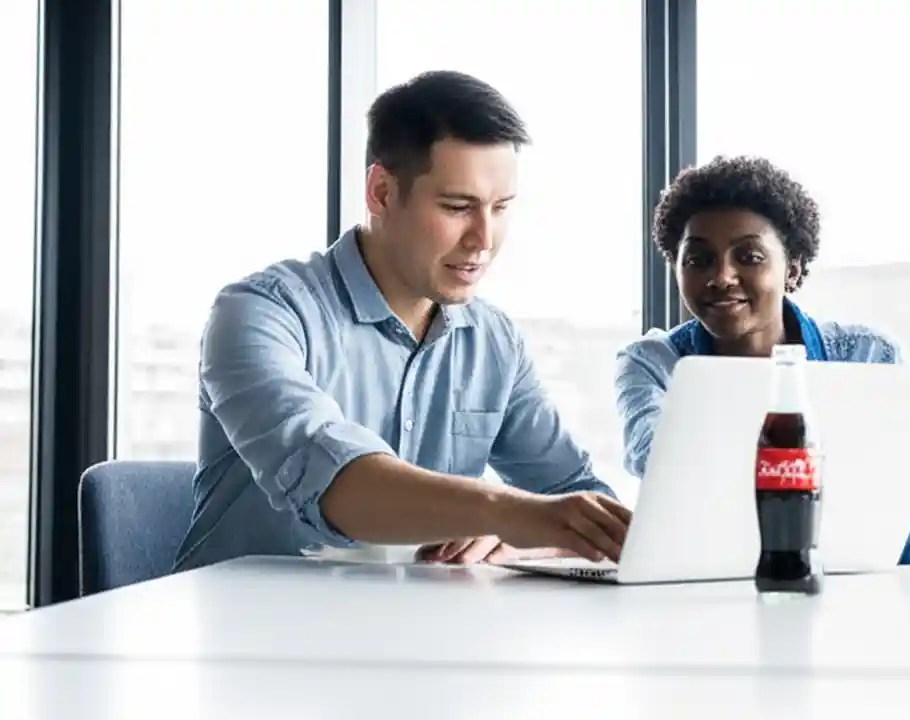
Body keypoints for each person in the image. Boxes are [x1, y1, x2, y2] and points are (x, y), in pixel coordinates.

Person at [174, 70, 630, 572]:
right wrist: (507, 511)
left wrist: (517, 542)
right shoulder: (260, 313)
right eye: (458, 207)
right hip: (246, 635)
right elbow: (338, 483)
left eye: (501, 209)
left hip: (416, 631)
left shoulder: (494, 342)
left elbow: (580, 498)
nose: (484, 239)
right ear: (382, 192)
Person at [614, 155, 910, 564]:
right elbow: (658, 462)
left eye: (748, 257)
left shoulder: (870, 357)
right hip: (697, 587)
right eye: (698, 260)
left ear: (793, 268)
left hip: (857, 592)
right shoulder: (653, 364)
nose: (721, 277)